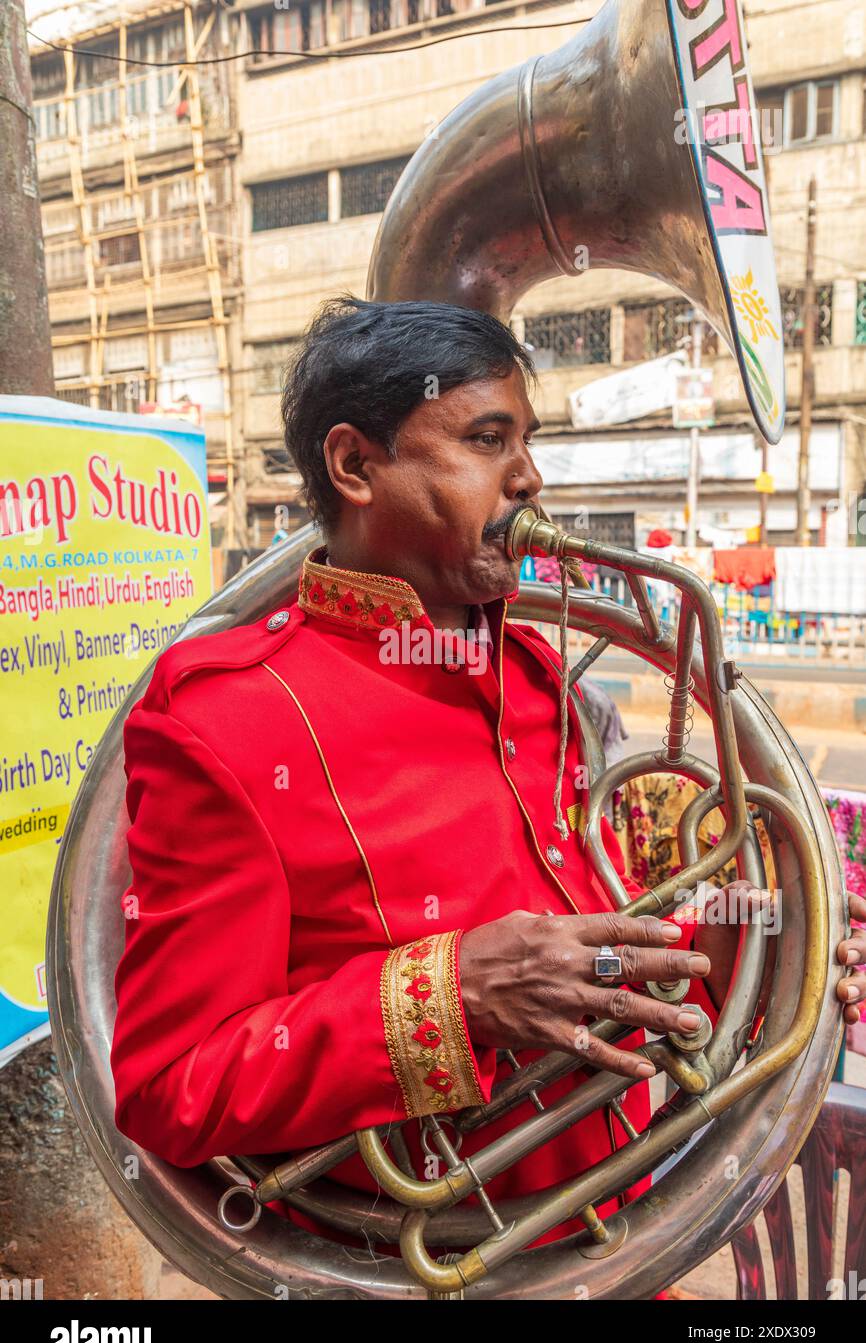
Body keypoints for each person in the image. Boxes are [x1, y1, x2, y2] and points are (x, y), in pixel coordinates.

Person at [110, 295, 866, 1256]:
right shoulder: (224, 716)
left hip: (619, 1245)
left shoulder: (532, 673)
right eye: (485, 439)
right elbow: (171, 1085)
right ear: (353, 466)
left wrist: (748, 947)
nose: (529, 478)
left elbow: (583, 943)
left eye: (527, 442)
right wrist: (453, 994)